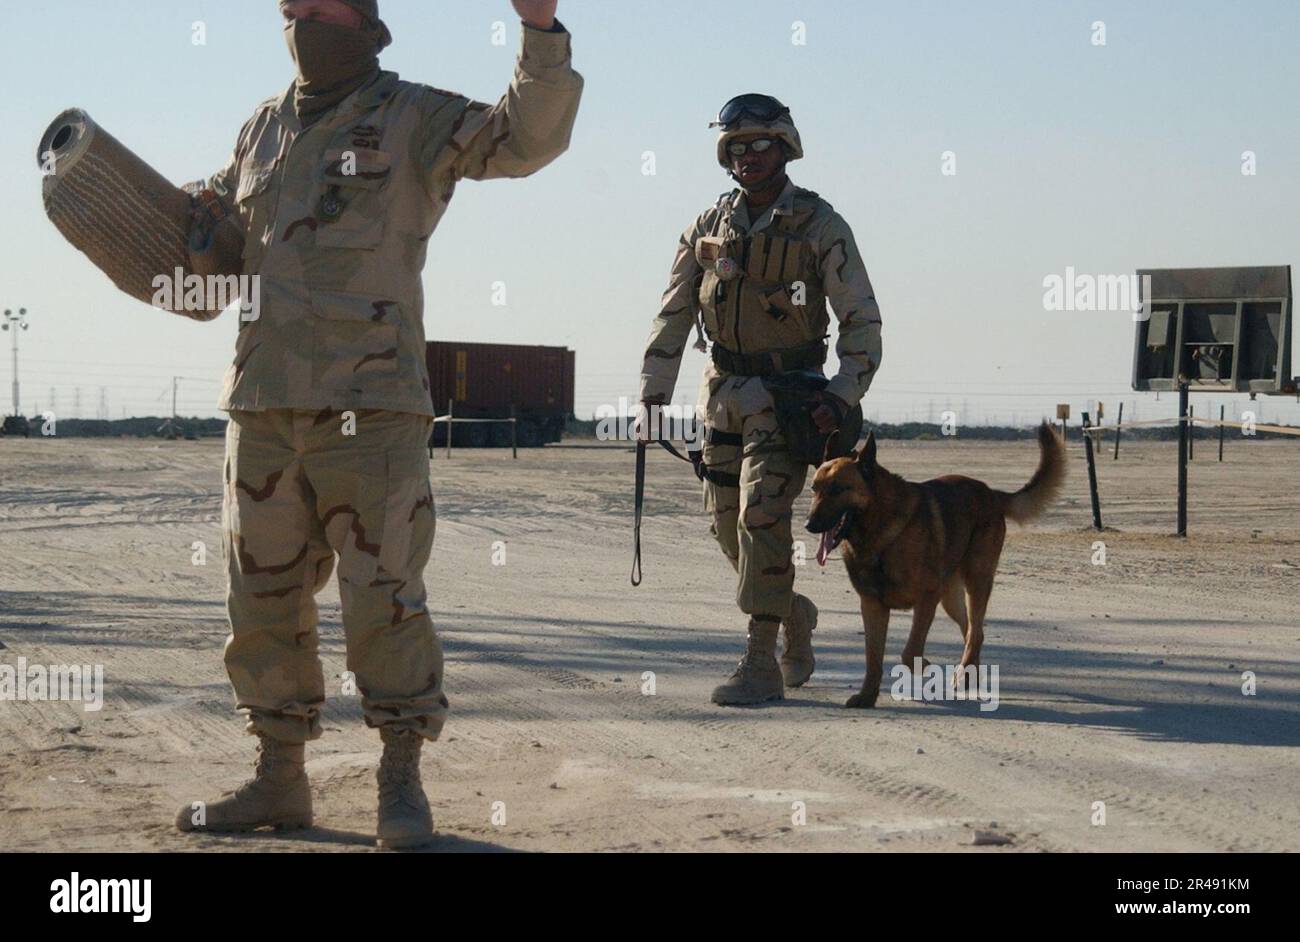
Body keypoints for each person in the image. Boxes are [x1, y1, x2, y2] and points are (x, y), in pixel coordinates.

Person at [175, 0, 582, 849]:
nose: (300, 18)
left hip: (373, 408)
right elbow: (206, 245)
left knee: (384, 598)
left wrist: (540, 30)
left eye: (318, 6)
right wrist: (162, 226)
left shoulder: (413, 116)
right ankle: (278, 777)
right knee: (261, 601)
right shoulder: (260, 131)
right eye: (290, 7)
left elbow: (526, 139)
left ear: (363, 22)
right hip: (263, 405)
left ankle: (400, 778)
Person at [638, 93, 883, 706]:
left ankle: (759, 662)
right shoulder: (706, 227)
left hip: (790, 397)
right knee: (727, 528)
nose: (749, 156)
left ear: (786, 148)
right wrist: (651, 396)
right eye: (738, 147)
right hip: (721, 394)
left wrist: (841, 394)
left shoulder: (820, 225)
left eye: (761, 145)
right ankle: (791, 612)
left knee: (761, 516)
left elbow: (861, 320)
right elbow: (673, 314)